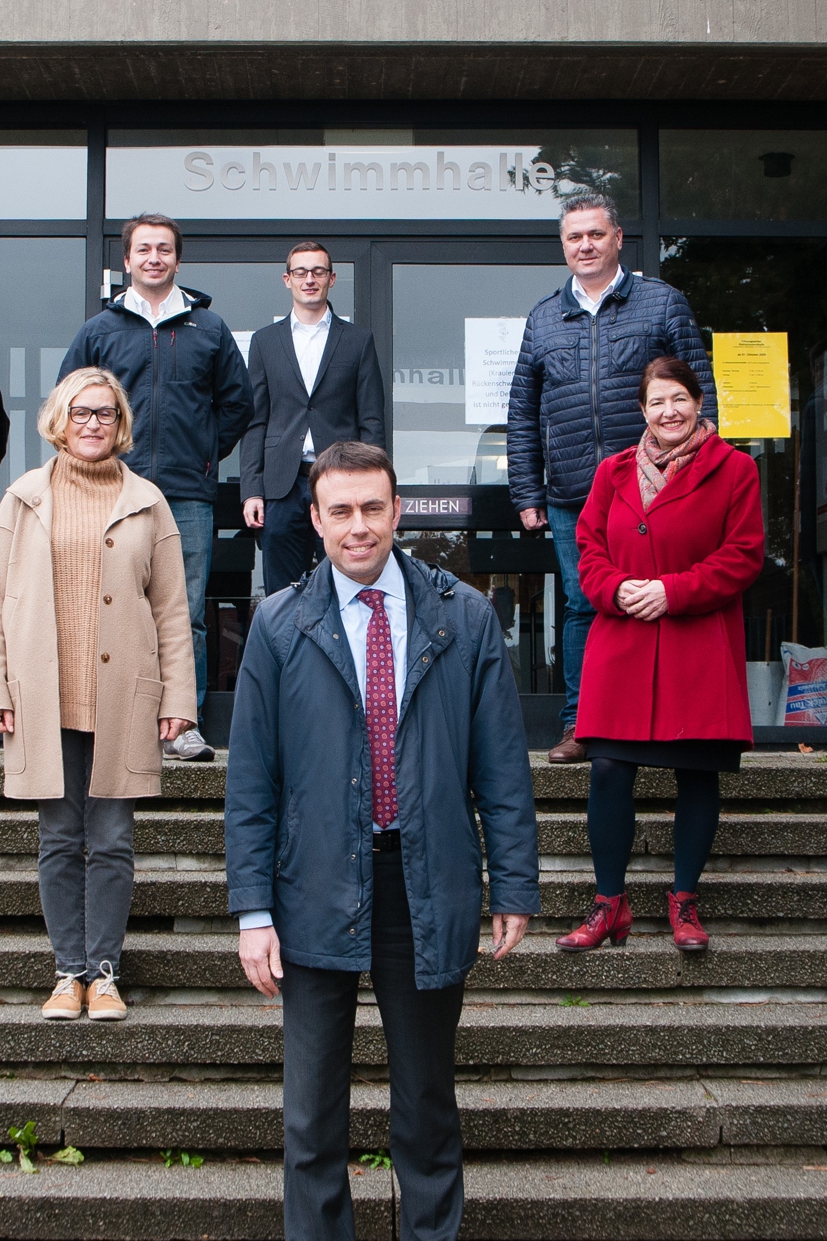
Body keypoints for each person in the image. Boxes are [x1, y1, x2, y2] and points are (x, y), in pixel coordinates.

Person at [225, 440, 540, 1241]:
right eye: (341, 510)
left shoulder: (462, 616)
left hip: (425, 880)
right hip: (313, 882)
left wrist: (513, 883)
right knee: (311, 1116)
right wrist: (253, 910)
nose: (358, 525)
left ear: (398, 511)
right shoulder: (279, 623)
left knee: (427, 1104)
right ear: (315, 519)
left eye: (373, 507)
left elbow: (502, 767)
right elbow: (252, 780)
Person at [0, 368, 195, 1023]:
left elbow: (172, 611)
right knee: (60, 838)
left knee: (114, 840)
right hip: (45, 697)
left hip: (122, 696)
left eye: (104, 413)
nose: (93, 423)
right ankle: (67, 973)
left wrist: (177, 698)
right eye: (80, 412)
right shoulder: (22, 498)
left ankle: (104, 975)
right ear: (59, 421)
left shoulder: (148, 502)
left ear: (120, 423)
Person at [557, 358, 764, 953]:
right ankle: (609, 904)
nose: (668, 412)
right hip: (622, 642)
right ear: (642, 410)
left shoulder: (736, 469)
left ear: (698, 402)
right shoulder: (612, 471)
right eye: (656, 402)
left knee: (697, 772)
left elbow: (743, 554)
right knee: (607, 769)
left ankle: (684, 901)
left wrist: (673, 591)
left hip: (697, 645)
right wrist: (615, 588)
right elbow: (588, 547)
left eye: (678, 399)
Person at [506, 191, 717, 764]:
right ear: (563, 246)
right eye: (574, 237)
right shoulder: (543, 318)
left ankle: (669, 720)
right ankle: (582, 723)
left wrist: (699, 472)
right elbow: (522, 412)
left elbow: (700, 392)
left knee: (663, 598)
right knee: (583, 606)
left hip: (658, 488)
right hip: (573, 493)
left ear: (618, 238)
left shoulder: (662, 303)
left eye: (595, 234)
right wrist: (527, 491)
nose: (585, 245)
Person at [58, 213, 251, 762]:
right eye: (143, 249)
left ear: (177, 260)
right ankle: (111, 721)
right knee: (109, 607)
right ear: (127, 260)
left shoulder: (209, 328)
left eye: (164, 249)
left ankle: (182, 725)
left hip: (187, 493)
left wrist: (205, 454)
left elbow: (237, 403)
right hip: (111, 491)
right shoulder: (100, 330)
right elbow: (68, 401)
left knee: (184, 613)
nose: (154, 258)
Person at [239, 241, 386, 595]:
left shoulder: (357, 340)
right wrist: (252, 490)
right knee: (281, 593)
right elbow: (255, 421)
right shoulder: (264, 341)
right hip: (282, 486)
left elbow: (371, 420)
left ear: (331, 279)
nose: (309, 279)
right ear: (287, 279)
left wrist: (372, 484)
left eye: (318, 271)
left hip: (341, 481)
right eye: (301, 272)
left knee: (347, 585)